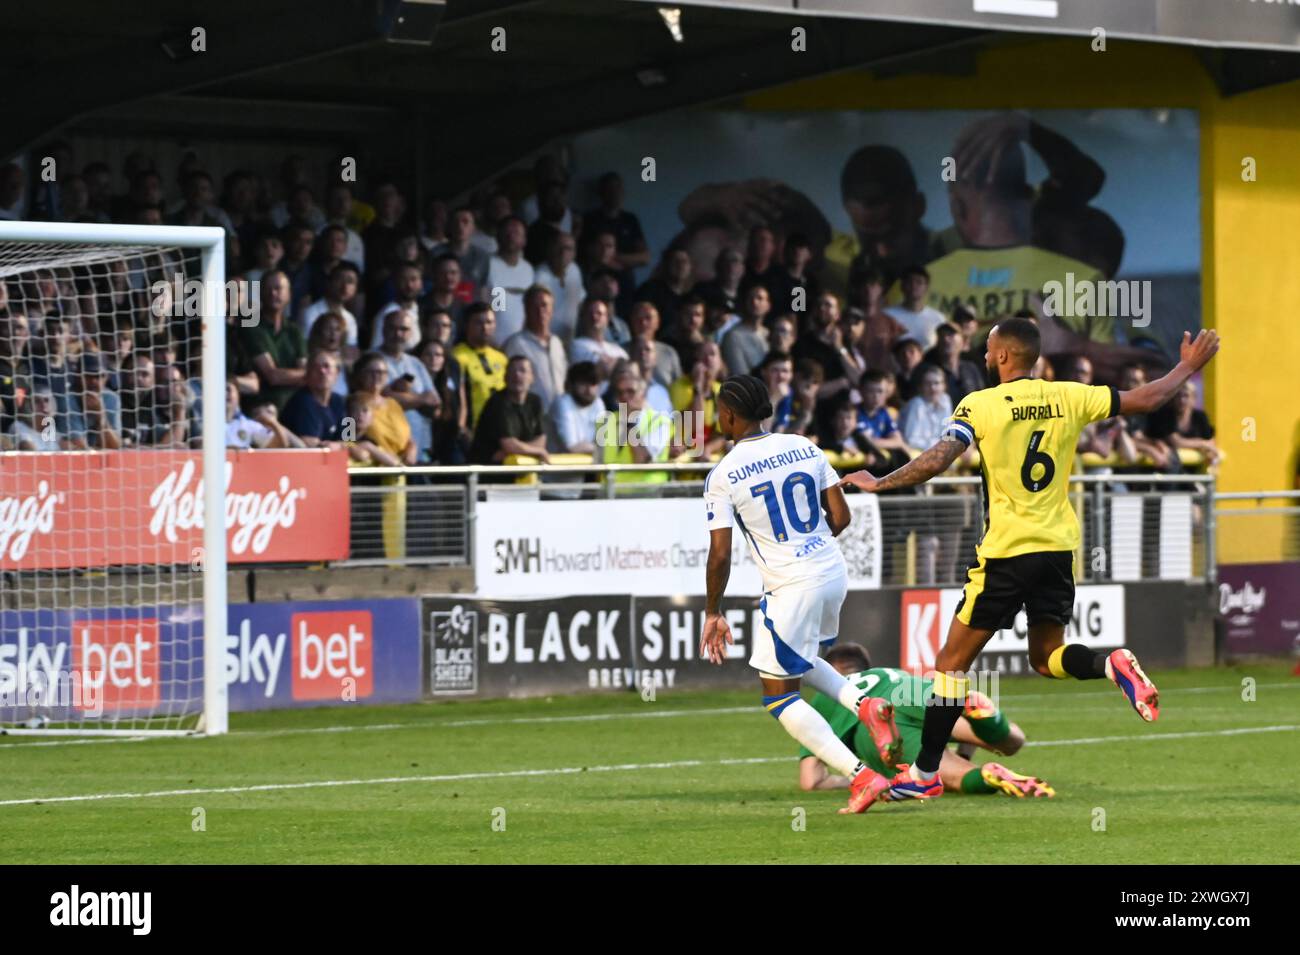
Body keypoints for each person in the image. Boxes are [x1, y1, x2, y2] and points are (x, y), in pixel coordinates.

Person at [838, 318, 1220, 802]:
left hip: (1007, 552)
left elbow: (938, 459)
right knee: (1045, 658)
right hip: (1058, 550)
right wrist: (1186, 366)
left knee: (950, 663)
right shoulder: (1070, 394)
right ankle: (1111, 663)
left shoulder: (979, 404)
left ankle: (925, 773)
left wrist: (880, 482)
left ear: (1002, 356)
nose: (982, 357)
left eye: (988, 349)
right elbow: (1146, 399)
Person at [699, 374, 902, 814]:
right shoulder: (804, 446)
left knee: (778, 694)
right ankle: (866, 706)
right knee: (801, 658)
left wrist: (713, 611)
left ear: (729, 415)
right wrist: (811, 550)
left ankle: (861, 777)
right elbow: (842, 516)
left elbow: (719, 555)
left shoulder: (724, 474)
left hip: (794, 584)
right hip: (832, 571)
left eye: (719, 411)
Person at [797, 643, 1054, 798]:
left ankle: (988, 775)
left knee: (948, 776)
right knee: (1009, 740)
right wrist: (965, 752)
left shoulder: (824, 700)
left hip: (880, 726)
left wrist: (862, 776)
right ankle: (993, 721)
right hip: (911, 692)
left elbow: (812, 780)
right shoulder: (888, 673)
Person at [469, 355, 548, 465]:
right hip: (489, 471)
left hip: (520, 468)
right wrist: (537, 451)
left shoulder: (535, 401)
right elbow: (509, 445)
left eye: (522, 370)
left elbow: (541, 439)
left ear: (532, 377)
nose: (516, 374)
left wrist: (518, 450)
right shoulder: (497, 402)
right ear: (505, 377)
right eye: (512, 370)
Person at [503, 285, 567, 413]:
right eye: (534, 306)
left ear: (552, 309)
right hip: (531, 417)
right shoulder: (515, 344)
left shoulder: (557, 343)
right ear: (526, 309)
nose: (540, 311)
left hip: (561, 416)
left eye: (544, 305)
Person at [454, 303, 508, 428]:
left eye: (489, 322)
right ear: (467, 325)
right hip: (473, 432)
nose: (485, 327)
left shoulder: (501, 358)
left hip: (503, 430)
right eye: (478, 323)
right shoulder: (457, 357)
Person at [280, 350, 348, 446]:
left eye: (326, 366)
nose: (322, 371)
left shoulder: (340, 401)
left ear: (337, 374)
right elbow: (310, 443)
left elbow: (349, 437)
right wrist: (340, 446)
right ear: (307, 374)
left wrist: (341, 446)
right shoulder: (303, 401)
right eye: (315, 367)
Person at [884, 265, 949, 351]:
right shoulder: (886, 315)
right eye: (909, 281)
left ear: (926, 288)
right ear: (902, 286)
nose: (913, 286)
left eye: (919, 282)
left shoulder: (938, 319)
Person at [549, 361, 603, 454]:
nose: (589, 390)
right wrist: (599, 449)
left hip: (588, 464)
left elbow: (603, 442)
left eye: (593, 384)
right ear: (571, 385)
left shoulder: (598, 403)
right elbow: (572, 448)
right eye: (583, 383)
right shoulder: (562, 403)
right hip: (558, 465)